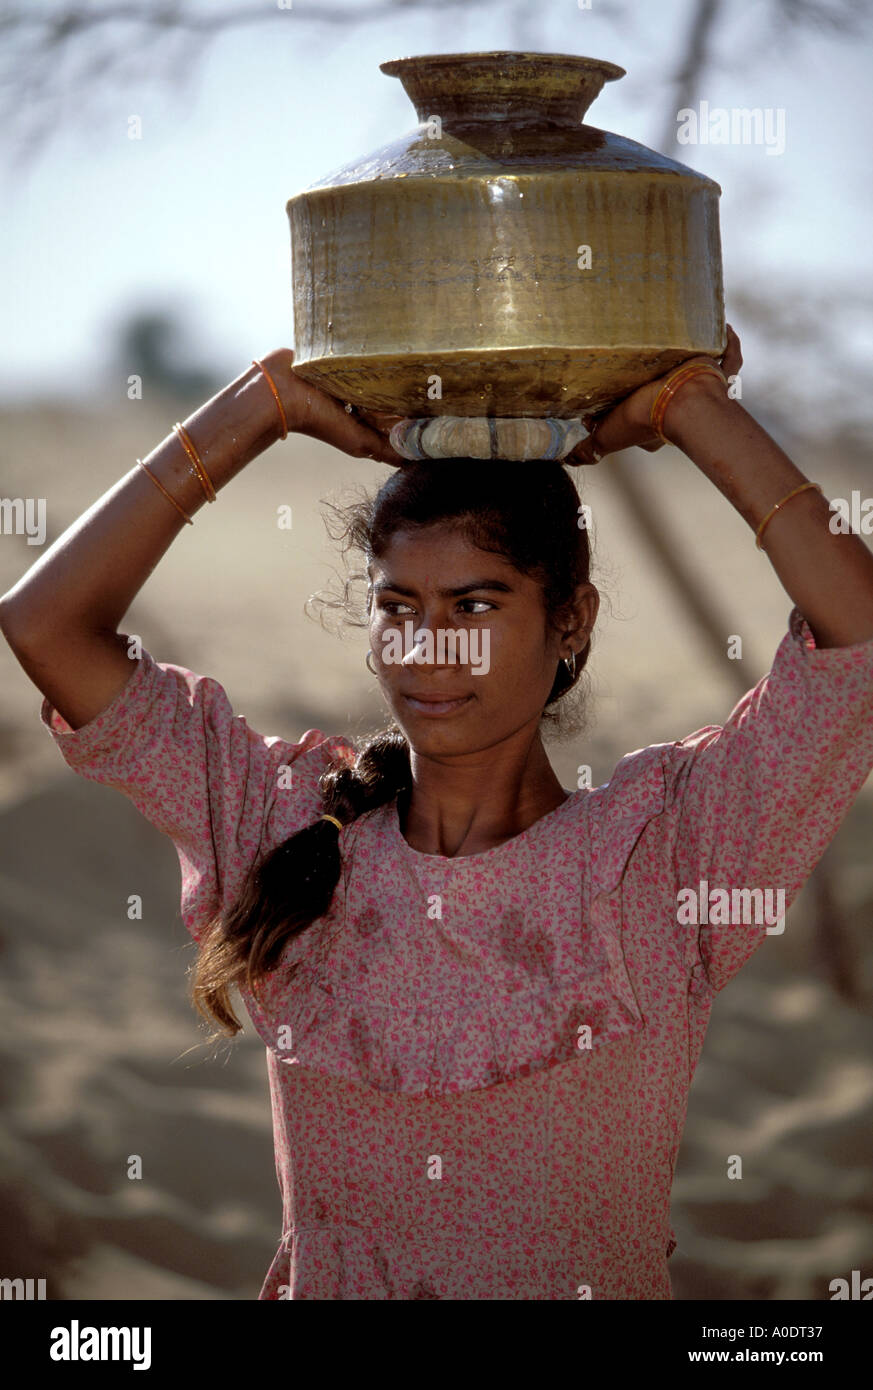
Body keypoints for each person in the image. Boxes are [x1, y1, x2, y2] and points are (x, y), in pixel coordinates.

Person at [2, 329, 873, 1300]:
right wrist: (265, 400)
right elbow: (46, 625)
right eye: (398, 606)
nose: (429, 651)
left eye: (474, 605)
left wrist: (687, 409)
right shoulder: (285, 823)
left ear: (571, 619)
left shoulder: (659, 849)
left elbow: (859, 637)